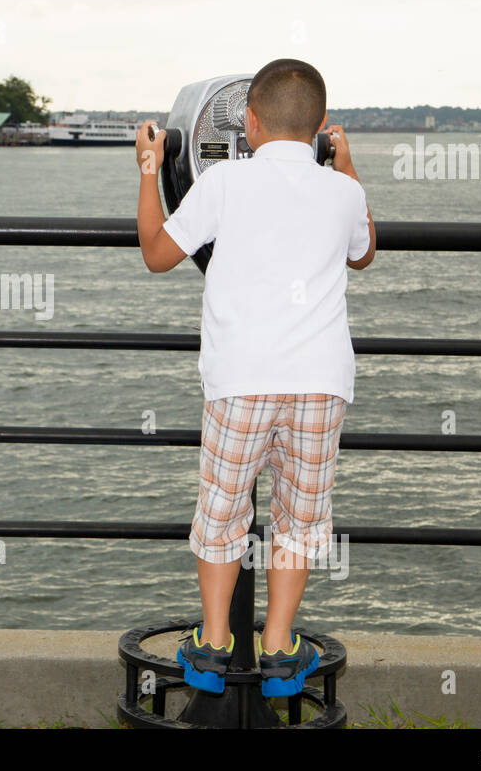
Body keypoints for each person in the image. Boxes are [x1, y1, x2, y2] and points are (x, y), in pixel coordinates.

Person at [133, 58, 375, 697]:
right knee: (300, 517)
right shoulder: (343, 190)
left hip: (241, 377)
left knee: (221, 510)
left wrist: (152, 169)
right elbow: (364, 252)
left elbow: (158, 254)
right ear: (322, 127)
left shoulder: (223, 184)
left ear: (248, 120)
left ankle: (213, 645)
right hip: (321, 383)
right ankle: (278, 648)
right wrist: (345, 165)